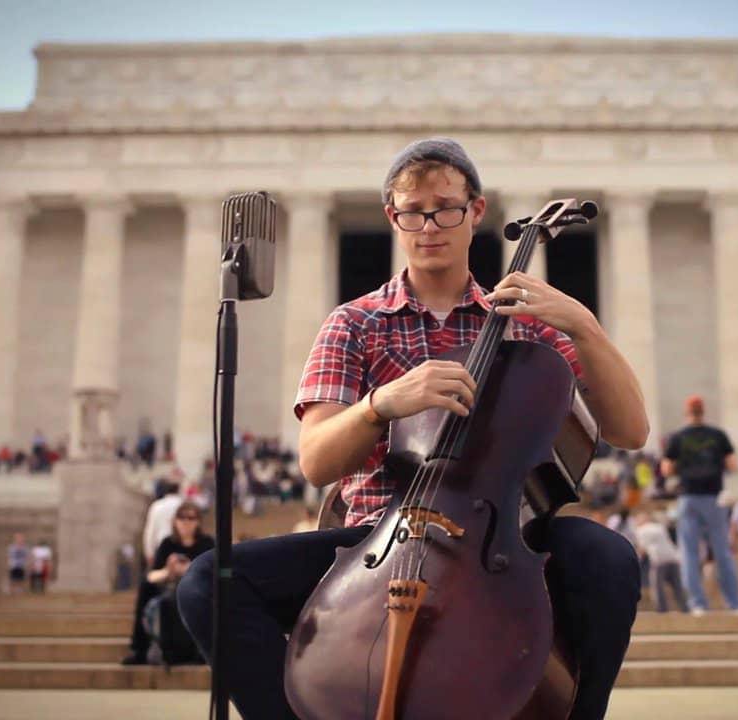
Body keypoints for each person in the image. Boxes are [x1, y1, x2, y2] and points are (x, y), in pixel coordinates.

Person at [175, 137, 649, 720]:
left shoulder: (529, 328)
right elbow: (318, 461)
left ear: (475, 211)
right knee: (207, 583)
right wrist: (382, 404)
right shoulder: (353, 323)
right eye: (412, 212)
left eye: (446, 208)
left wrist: (586, 328)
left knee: (607, 559)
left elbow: (630, 431)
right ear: (392, 218)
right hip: (379, 538)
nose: (429, 226)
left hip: (501, 539)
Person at [660, 395, 738, 615]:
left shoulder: (677, 437)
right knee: (722, 552)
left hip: (688, 497)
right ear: (703, 411)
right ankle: (734, 604)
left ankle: (698, 604)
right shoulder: (717, 435)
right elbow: (733, 465)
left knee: (689, 554)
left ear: (686, 412)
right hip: (714, 498)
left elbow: (667, 469)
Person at [123, 501, 214, 665]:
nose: (186, 522)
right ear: (174, 521)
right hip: (168, 588)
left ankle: (203, 650)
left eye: (191, 518)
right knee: (145, 587)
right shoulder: (167, 544)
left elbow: (213, 573)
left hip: (198, 591)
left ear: (198, 521)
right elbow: (152, 576)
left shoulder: (207, 544)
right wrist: (168, 570)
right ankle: (140, 649)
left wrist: (191, 570)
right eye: (181, 517)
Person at [634, 511, 687, 612]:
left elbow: (642, 550)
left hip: (659, 561)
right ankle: (685, 609)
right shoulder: (658, 527)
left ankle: (662, 610)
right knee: (677, 587)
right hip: (673, 558)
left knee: (658, 588)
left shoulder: (641, 530)